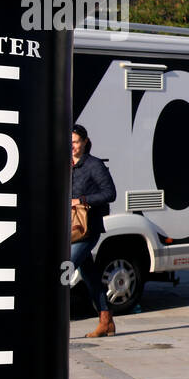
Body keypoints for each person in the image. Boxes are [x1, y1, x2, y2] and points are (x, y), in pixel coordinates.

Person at [71, 124, 118, 338]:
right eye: (69, 143)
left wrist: (82, 200)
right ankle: (106, 320)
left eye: (75, 142)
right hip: (68, 228)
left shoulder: (94, 165)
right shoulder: (65, 165)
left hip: (87, 229)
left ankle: (51, 320)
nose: (72, 146)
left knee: (65, 267)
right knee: (89, 275)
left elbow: (110, 193)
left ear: (85, 142)